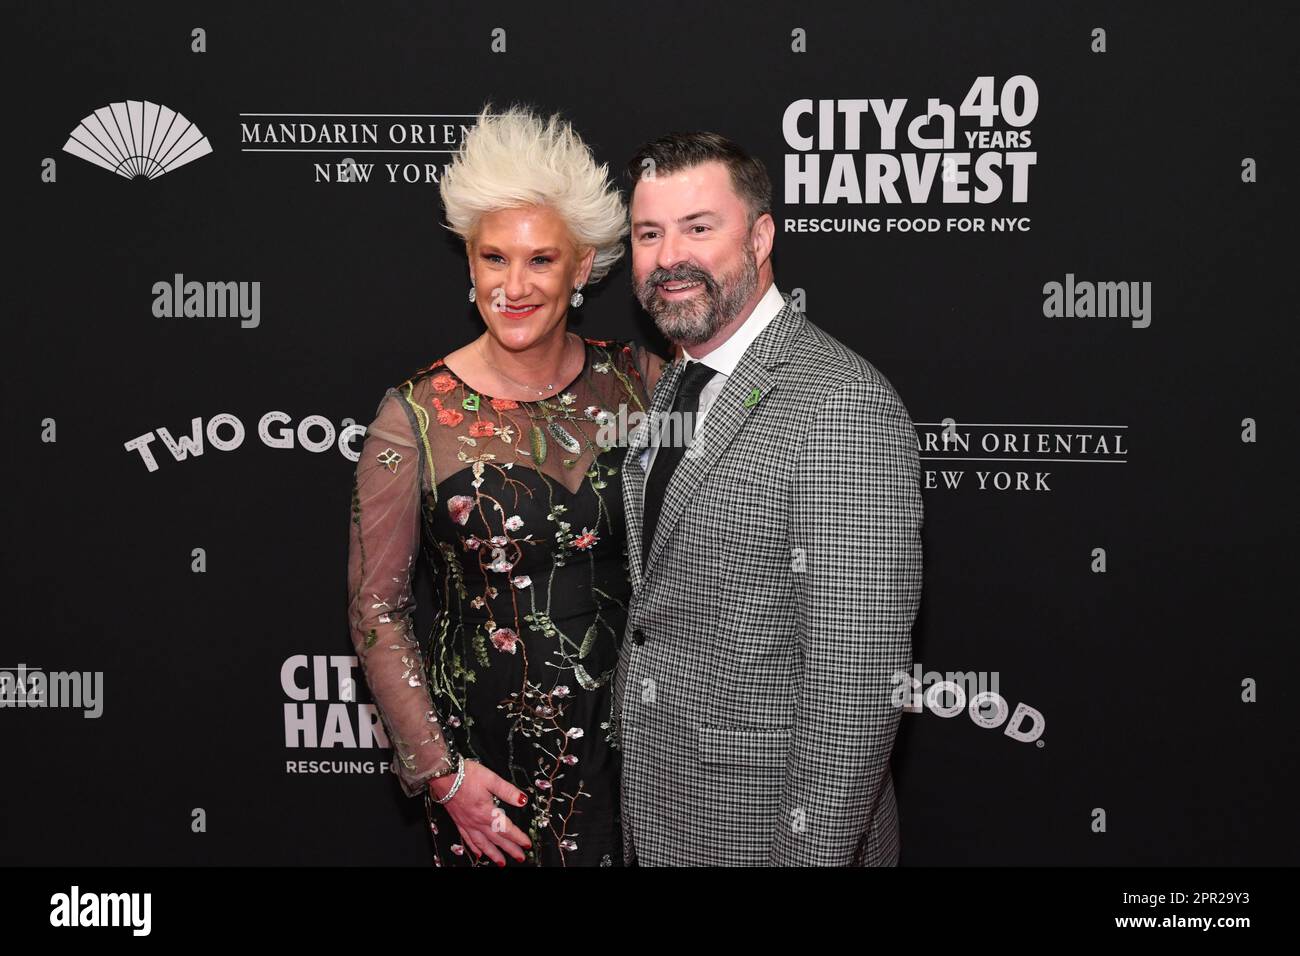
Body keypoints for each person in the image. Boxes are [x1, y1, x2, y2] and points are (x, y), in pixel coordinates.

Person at [347, 104, 662, 867]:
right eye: (494, 259)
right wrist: (444, 776)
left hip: (651, 759)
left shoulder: (642, 381)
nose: (513, 286)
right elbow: (377, 609)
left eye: (541, 261)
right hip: (494, 776)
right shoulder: (413, 416)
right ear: (470, 264)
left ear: (583, 267)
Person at [613, 131, 924, 866]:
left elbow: (855, 679)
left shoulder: (840, 404)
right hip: (665, 812)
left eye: (698, 227)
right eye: (649, 233)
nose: (667, 257)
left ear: (760, 237)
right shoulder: (679, 380)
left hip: (766, 834)